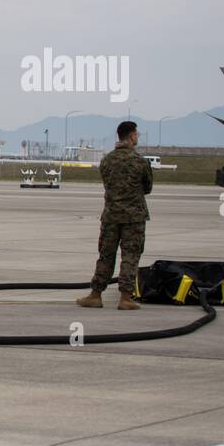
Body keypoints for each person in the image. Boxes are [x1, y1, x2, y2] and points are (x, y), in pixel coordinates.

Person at [77, 121, 152, 311]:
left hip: (111, 216)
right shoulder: (140, 161)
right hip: (133, 217)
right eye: (136, 134)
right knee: (130, 256)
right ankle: (126, 298)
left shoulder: (107, 160)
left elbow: (107, 184)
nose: (137, 137)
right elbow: (147, 187)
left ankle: (95, 295)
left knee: (106, 255)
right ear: (131, 136)